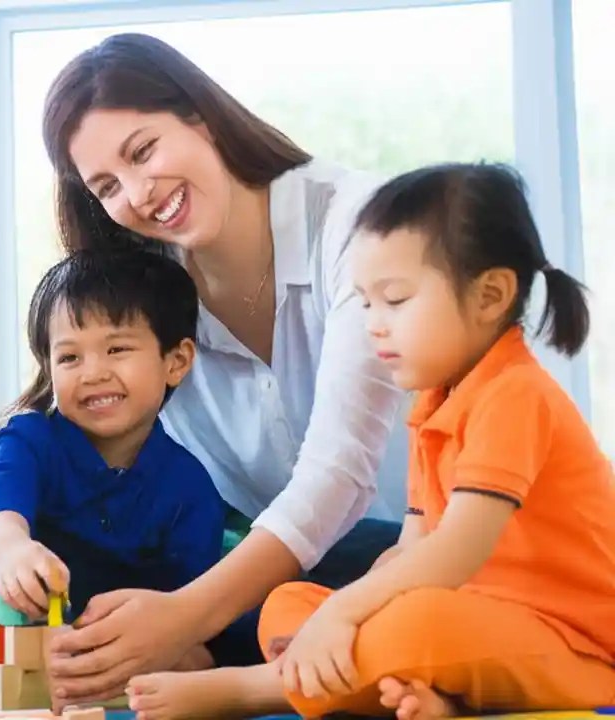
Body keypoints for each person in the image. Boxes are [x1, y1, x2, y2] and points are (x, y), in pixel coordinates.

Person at [125, 162, 615, 720]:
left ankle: (254, 689)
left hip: (575, 640)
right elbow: (411, 547)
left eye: (396, 300)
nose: (374, 324)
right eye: (365, 302)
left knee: (410, 627)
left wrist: (348, 618)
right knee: (290, 605)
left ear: (491, 295)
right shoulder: (434, 402)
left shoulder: (516, 395)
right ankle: (436, 694)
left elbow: (455, 551)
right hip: (483, 620)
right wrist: (342, 614)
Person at [38, 32, 411, 701]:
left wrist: (185, 616)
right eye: (106, 187)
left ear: (199, 114)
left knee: (372, 568)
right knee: (12, 570)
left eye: (143, 151)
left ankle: (225, 662)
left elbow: (340, 474)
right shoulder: (147, 299)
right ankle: (211, 652)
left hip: (428, 555)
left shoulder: (363, 224)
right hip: (271, 585)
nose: (139, 194)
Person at [0, 250, 225, 680]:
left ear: (176, 362)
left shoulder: (190, 485)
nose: (92, 372)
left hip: (127, 617)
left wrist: (184, 638)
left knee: (238, 623)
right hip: (31, 608)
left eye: (116, 349)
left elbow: (195, 593)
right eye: (69, 358)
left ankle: (107, 659)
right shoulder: (31, 438)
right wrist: (13, 552)